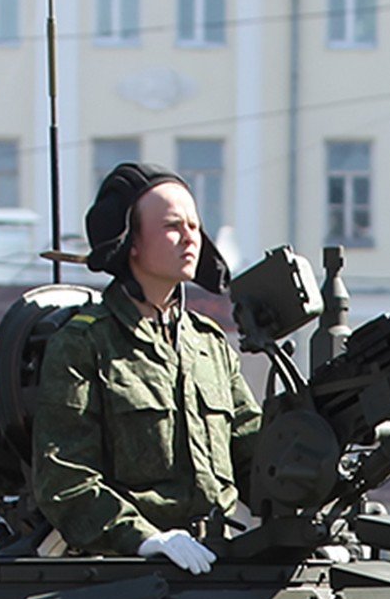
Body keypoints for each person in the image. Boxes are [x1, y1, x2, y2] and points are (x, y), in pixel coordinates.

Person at [20, 163, 261, 572]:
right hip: (128, 577)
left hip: (217, 564)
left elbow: (255, 453)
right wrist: (146, 538)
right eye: (172, 226)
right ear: (131, 242)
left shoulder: (206, 344)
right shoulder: (86, 344)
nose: (191, 237)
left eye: (194, 225)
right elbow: (65, 478)